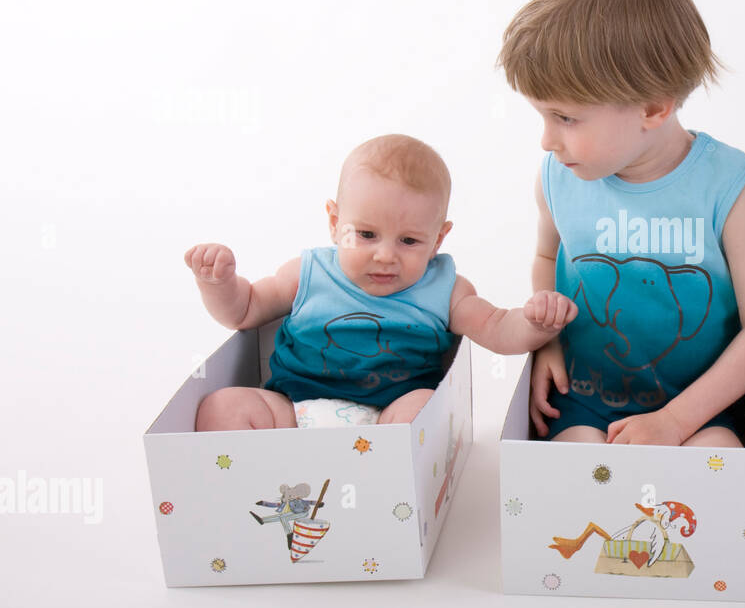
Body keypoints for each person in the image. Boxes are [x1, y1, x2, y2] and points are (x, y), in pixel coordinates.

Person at [497, 0, 745, 447]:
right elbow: (547, 257)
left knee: (715, 461)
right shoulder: (559, 175)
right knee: (574, 465)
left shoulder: (729, 187)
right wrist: (545, 342)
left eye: (565, 118)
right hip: (586, 396)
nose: (546, 140)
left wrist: (676, 421)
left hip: (700, 404)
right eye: (542, 116)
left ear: (653, 107)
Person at [185, 134, 577, 430]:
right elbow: (245, 310)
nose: (385, 255)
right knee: (222, 407)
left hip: (389, 421)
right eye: (367, 235)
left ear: (438, 239)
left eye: (409, 241)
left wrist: (534, 322)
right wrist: (220, 284)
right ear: (336, 223)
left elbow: (496, 329)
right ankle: (260, 486)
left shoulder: (444, 288)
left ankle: (385, 491)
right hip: (291, 411)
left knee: (425, 405)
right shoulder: (307, 273)